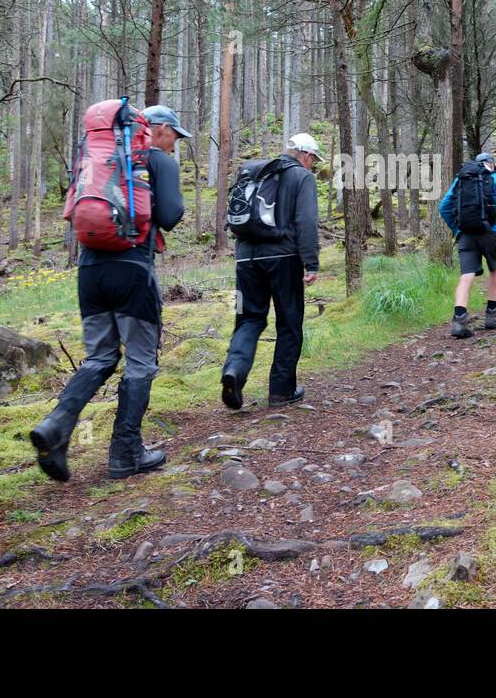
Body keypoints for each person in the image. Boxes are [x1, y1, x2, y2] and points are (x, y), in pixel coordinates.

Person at [30, 104, 189, 481]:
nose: (174, 144)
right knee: (140, 361)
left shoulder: (97, 156)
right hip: (133, 270)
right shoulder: (158, 161)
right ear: (159, 128)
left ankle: (56, 426)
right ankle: (125, 454)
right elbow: (170, 215)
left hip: (90, 270)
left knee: (99, 357)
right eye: (174, 136)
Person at [220, 133, 322, 410]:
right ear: (307, 155)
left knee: (248, 319)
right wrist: (311, 263)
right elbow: (307, 222)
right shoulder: (302, 177)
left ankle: (234, 371)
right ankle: (281, 390)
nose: (313, 165)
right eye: (314, 160)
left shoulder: (256, 173)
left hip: (245, 260)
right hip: (283, 258)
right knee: (289, 323)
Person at [438, 151, 496, 339]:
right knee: (495, 270)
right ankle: (492, 315)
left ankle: (459, 321)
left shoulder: (462, 179)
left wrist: (457, 229)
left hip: (466, 234)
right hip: (491, 232)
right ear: (491, 163)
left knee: (466, 275)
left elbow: (444, 207)